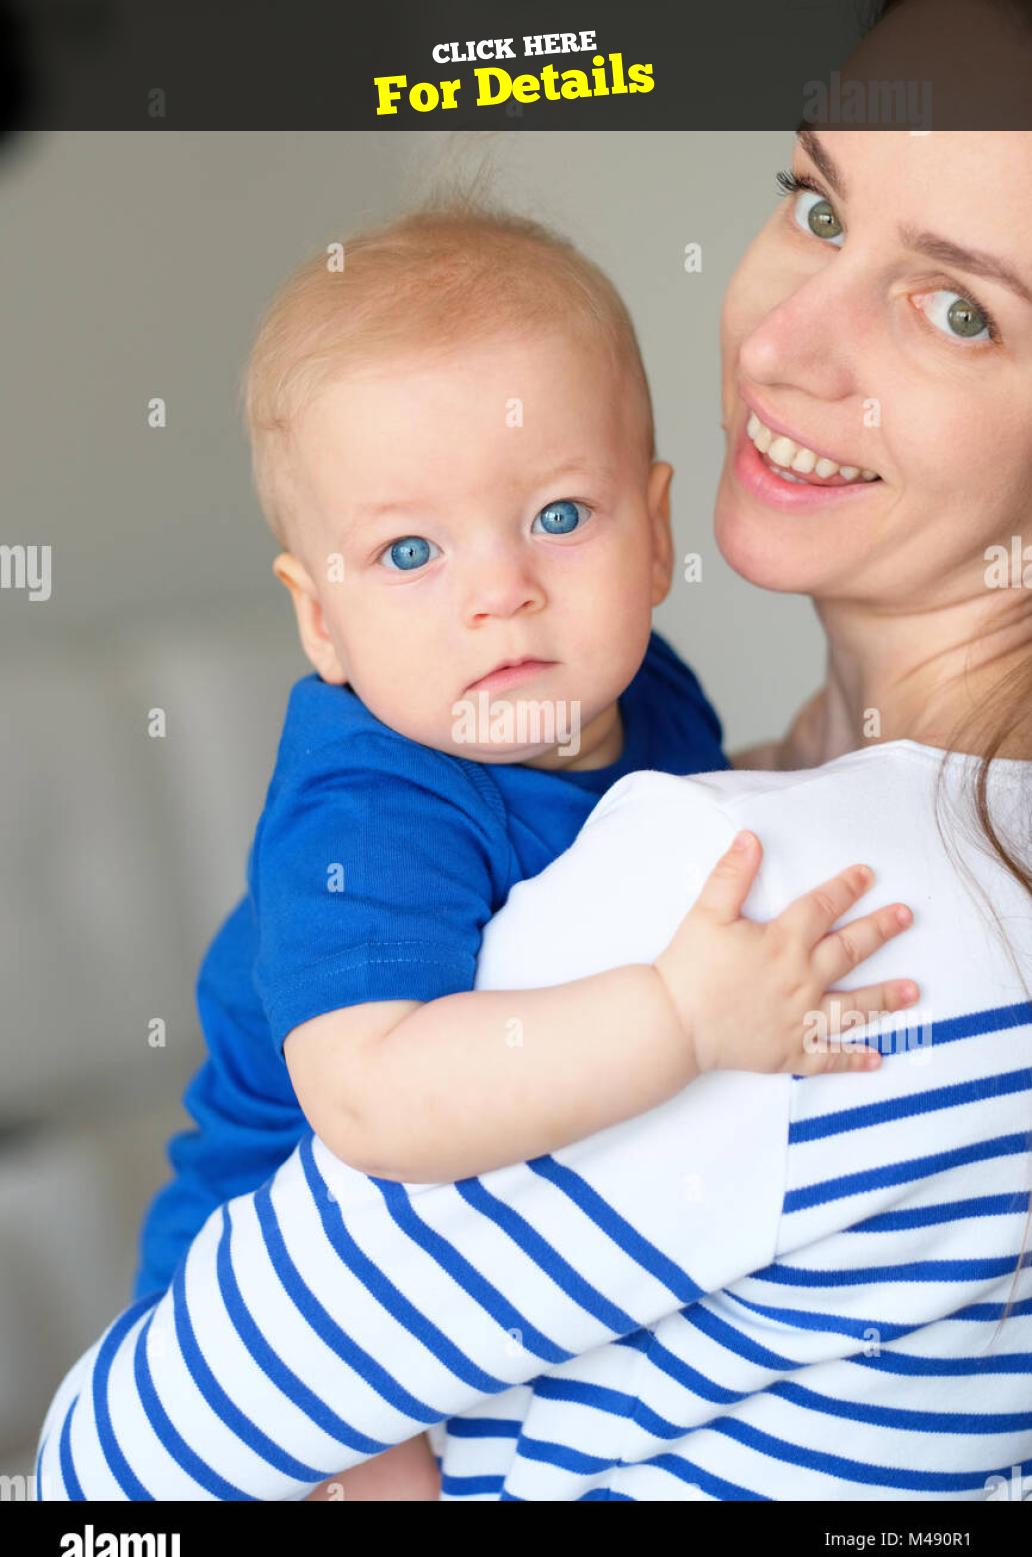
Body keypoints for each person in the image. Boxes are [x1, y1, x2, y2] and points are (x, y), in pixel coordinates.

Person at [35, 125, 1032, 1502]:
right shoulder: (370, 803)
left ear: (653, 522)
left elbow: (714, 785)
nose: (498, 591)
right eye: (408, 552)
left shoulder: (647, 705)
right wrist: (679, 1019)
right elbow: (376, 1099)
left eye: (560, 515)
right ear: (318, 620)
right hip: (258, 1210)